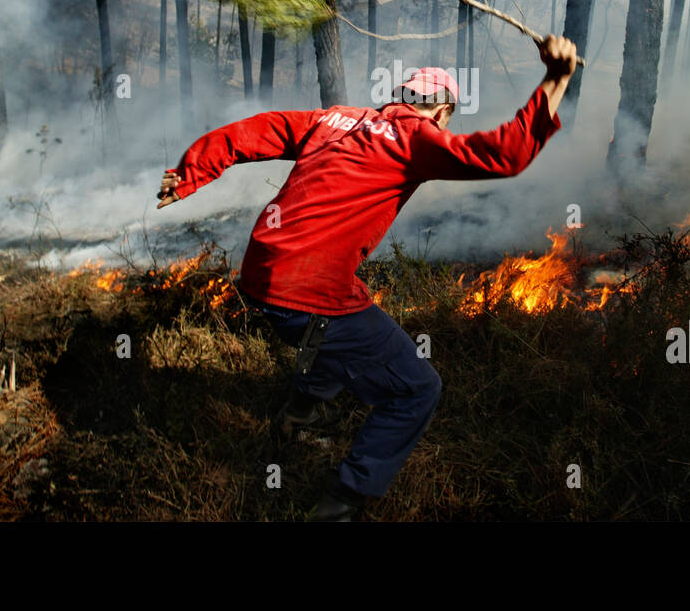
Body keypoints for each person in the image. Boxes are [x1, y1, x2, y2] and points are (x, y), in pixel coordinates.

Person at [157, 34, 578, 520]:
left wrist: (188, 173)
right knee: (417, 387)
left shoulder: (332, 120)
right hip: (304, 291)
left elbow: (256, 128)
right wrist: (557, 77)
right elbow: (506, 154)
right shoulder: (417, 138)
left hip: (258, 274)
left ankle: (301, 412)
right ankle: (340, 504)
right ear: (440, 114)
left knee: (349, 318)